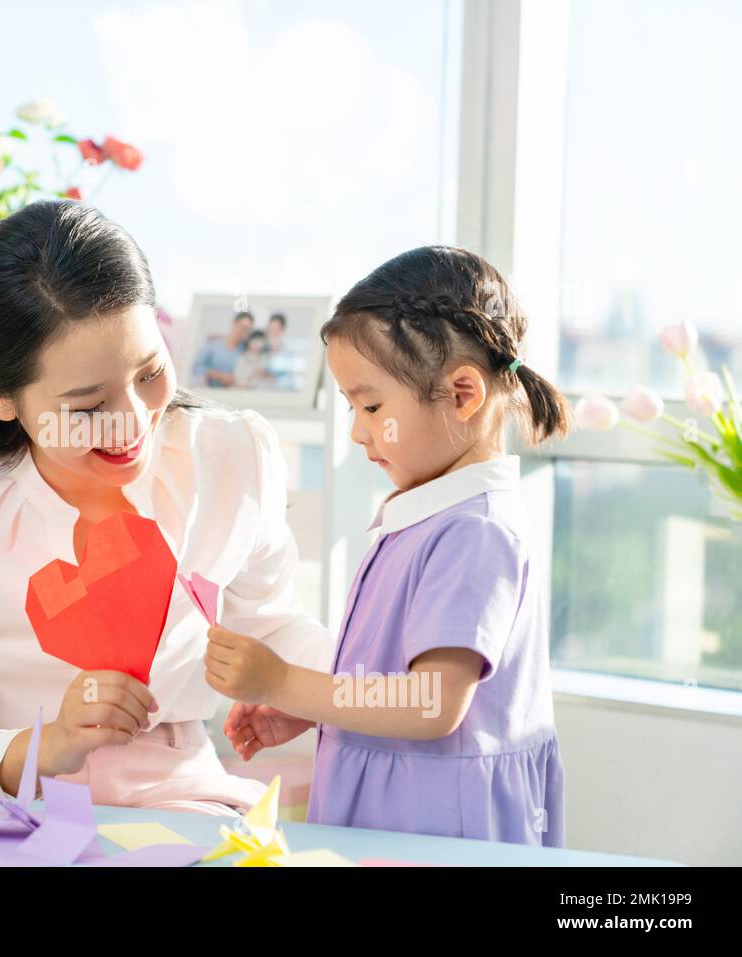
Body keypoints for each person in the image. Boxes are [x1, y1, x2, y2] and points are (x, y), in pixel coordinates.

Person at [0, 201, 332, 814]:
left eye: (150, 372)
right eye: (86, 407)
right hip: (18, 815)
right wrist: (49, 744)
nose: (134, 423)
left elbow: (273, 628)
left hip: (190, 804)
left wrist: (365, 692)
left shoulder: (230, 456)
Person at [206, 245, 568, 845]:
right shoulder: (430, 513)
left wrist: (282, 682)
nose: (356, 429)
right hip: (402, 811)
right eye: (351, 406)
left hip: (438, 825)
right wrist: (314, 707)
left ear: (462, 395)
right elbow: (398, 680)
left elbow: (432, 703)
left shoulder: (474, 530)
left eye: (371, 405)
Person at [190, 311, 253, 388]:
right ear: (233, 323)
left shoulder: (244, 350)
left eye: (247, 330)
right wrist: (219, 376)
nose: (242, 332)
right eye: (241, 327)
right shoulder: (213, 344)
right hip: (208, 391)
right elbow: (196, 367)